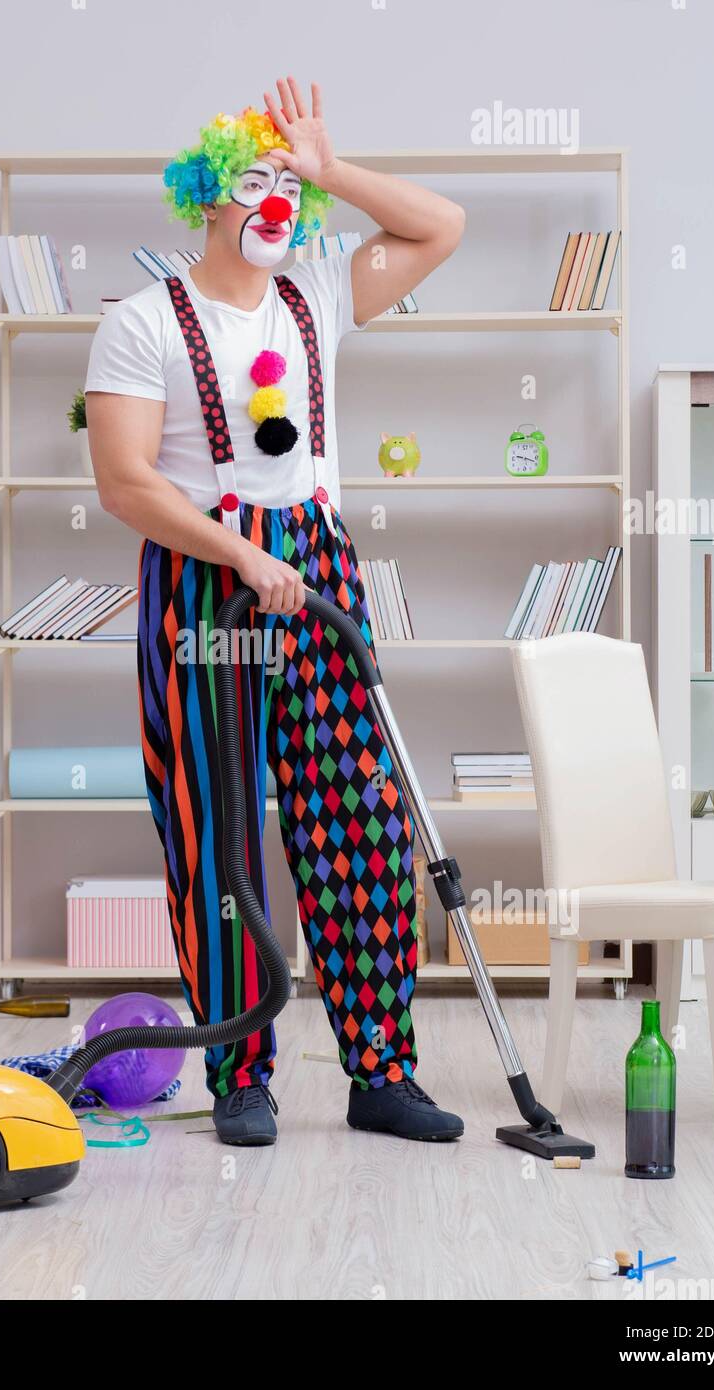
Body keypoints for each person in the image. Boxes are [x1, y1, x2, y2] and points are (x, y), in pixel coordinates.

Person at [86, 77, 466, 1146]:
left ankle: (378, 1071)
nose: (274, 205)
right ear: (205, 198)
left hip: (320, 573)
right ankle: (239, 1075)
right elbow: (125, 484)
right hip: (207, 577)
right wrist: (240, 555)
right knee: (216, 835)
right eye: (253, 182)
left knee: (356, 818)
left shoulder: (319, 290)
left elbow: (440, 224)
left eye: (286, 189)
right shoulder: (139, 322)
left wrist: (326, 164)